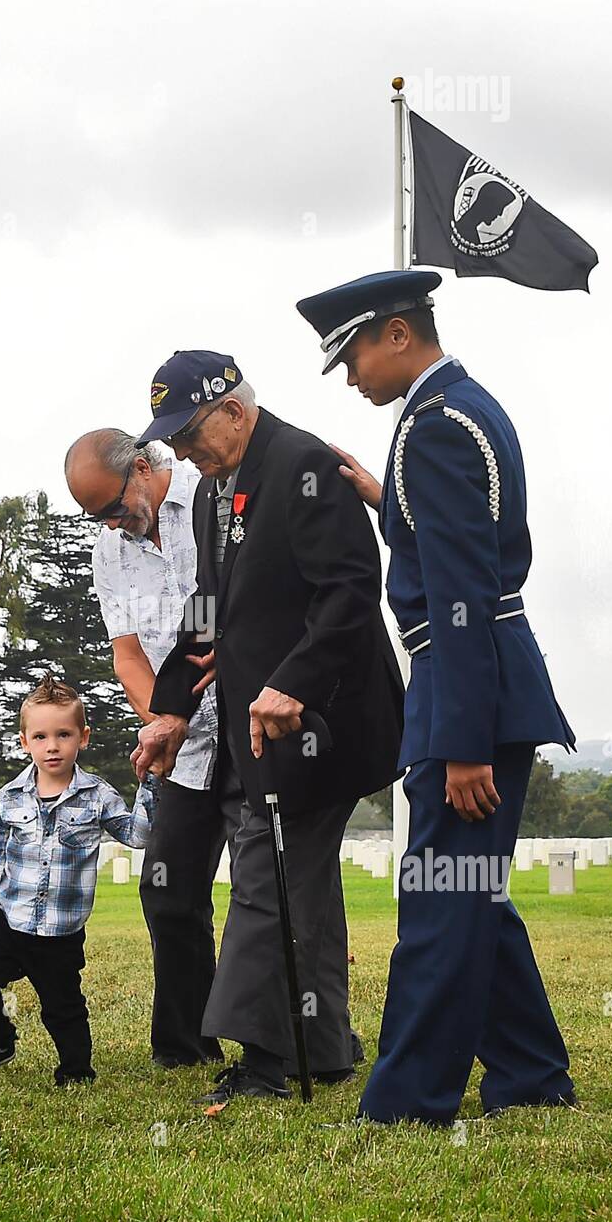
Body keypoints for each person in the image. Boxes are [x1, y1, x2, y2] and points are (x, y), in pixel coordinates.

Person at [296, 268, 577, 1125]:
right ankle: (530, 1075)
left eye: (353, 357)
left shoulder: (437, 427)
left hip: (468, 690)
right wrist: (391, 506)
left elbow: (461, 595)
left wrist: (460, 742)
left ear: (396, 334)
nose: (351, 377)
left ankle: (409, 1102)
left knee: (439, 905)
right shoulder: (453, 411)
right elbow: (457, 543)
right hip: (475, 681)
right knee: (470, 896)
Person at [131, 350, 404, 1103]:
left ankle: (262, 1062)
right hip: (261, 724)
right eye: (173, 441)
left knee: (263, 869)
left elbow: (349, 592)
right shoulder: (220, 488)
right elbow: (210, 611)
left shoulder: (302, 464)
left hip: (321, 720)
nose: (180, 452)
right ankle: (323, 1047)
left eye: (188, 434)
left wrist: (292, 684)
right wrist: (171, 711)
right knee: (299, 881)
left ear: (232, 410)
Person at [65, 428, 224, 1069]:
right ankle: (189, 1045)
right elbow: (126, 650)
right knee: (167, 888)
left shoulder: (211, 498)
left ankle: (304, 1039)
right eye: (94, 517)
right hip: (180, 742)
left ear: (139, 468)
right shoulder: (111, 550)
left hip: (250, 726)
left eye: (111, 506)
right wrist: (163, 719)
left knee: (275, 889)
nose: (110, 523)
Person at [0, 677, 161, 1087]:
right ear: (24, 741)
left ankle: (76, 1072)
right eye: (41, 736)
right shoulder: (9, 798)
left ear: (83, 737)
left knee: (63, 1006)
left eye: (63, 735)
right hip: (10, 921)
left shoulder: (97, 795)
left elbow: (139, 836)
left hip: (60, 931)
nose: (53, 746)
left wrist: (149, 784)